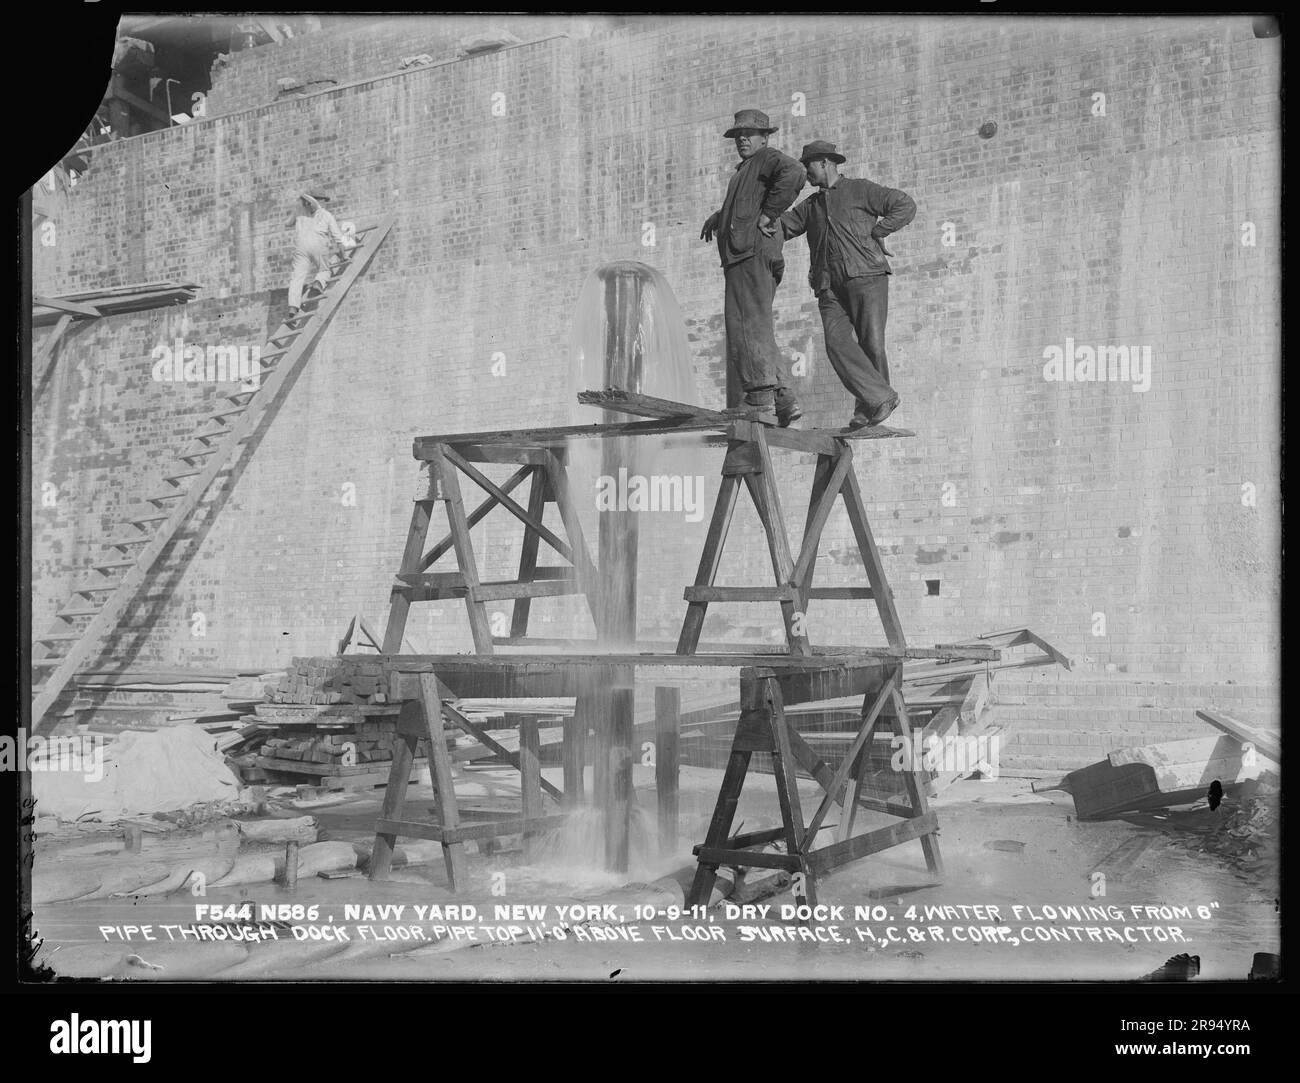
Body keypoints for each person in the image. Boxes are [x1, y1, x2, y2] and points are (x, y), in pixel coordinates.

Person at [780, 140, 916, 429]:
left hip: (867, 277)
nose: (806, 173)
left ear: (825, 163)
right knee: (836, 343)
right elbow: (783, 226)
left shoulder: (861, 189)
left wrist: (879, 229)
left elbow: (904, 204)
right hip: (829, 286)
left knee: (872, 344)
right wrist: (749, 218)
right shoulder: (811, 206)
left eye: (809, 166)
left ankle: (868, 407)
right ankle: (880, 397)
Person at [700, 109, 806, 426]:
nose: (743, 139)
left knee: (745, 325)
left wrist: (769, 214)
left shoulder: (766, 159)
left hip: (750, 255)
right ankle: (784, 399)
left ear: (764, 137)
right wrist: (722, 216)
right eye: (738, 135)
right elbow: (749, 203)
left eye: (749, 134)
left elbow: (795, 172)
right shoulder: (746, 170)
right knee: (757, 327)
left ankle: (760, 399)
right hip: (744, 255)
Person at [286, 190, 350, 319]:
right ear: (319, 200)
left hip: (300, 246)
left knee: (296, 278)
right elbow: (338, 238)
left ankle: (293, 306)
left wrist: (297, 210)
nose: (325, 204)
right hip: (318, 243)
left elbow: (287, 223)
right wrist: (344, 256)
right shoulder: (326, 215)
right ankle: (318, 283)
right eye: (324, 201)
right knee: (325, 270)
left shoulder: (300, 211)